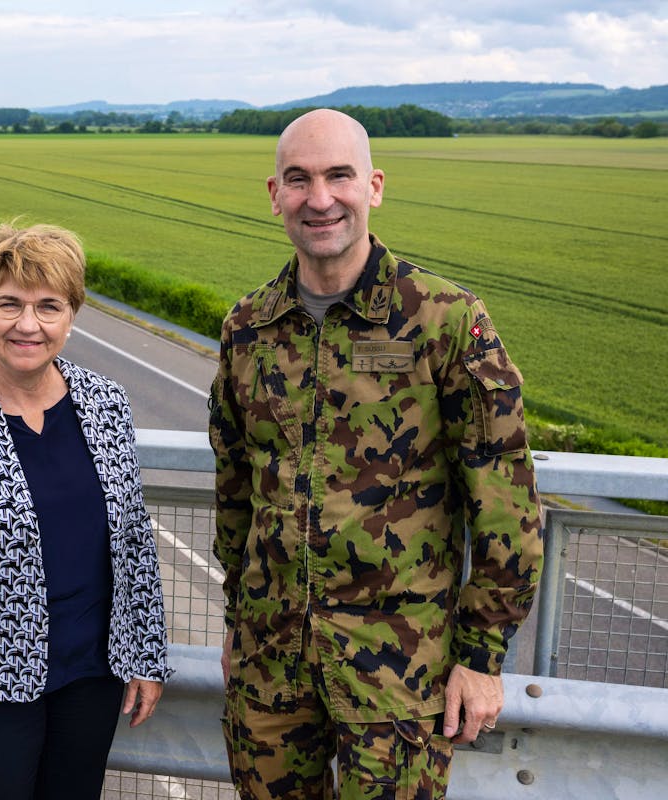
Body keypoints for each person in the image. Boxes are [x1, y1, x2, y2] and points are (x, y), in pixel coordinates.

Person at [208, 109, 544, 800]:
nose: (320, 198)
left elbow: (504, 502)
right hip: (270, 674)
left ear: (375, 186)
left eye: (339, 176)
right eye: (298, 180)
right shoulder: (249, 327)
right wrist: (240, 625)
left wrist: (482, 658)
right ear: (274, 194)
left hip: (397, 677)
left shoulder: (446, 320)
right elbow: (236, 490)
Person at [0, 222, 170, 800]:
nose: (28, 324)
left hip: (93, 675)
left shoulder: (105, 404)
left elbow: (134, 541)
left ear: (71, 315)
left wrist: (146, 652)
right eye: (9, 304)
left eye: (49, 306)